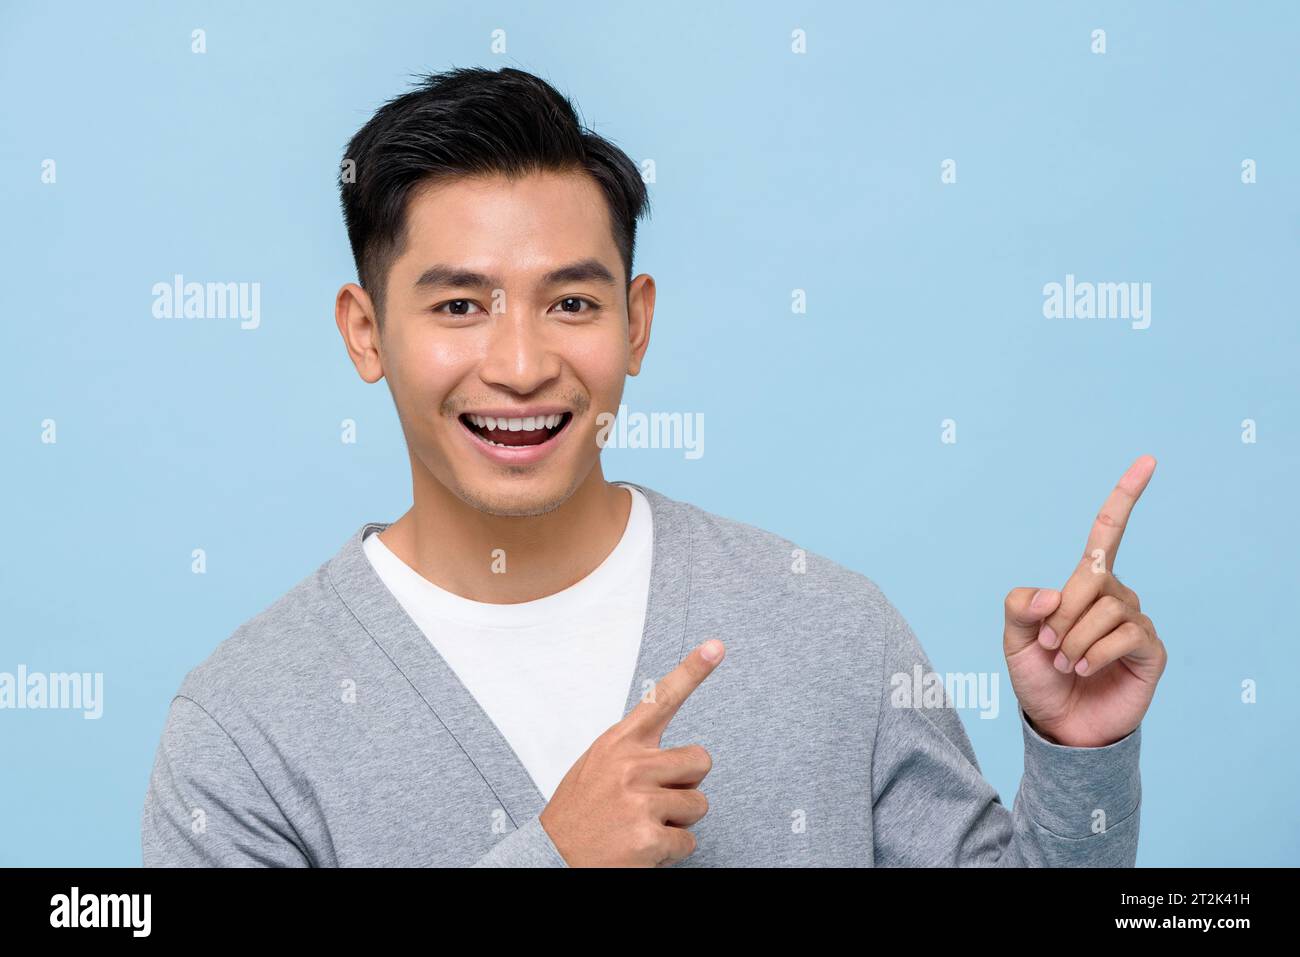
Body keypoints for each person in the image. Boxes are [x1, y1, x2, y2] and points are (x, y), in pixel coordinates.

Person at [141, 66, 1167, 867]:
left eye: (572, 303)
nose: (522, 364)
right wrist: (553, 858)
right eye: (459, 306)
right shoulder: (243, 728)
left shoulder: (830, 630)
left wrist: (1079, 755)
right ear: (365, 334)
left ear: (635, 325)